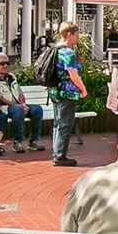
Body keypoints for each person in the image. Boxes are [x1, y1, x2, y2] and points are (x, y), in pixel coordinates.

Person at [0, 53, 45, 153]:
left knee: (37, 109)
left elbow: (20, 93)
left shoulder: (11, 76)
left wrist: (23, 104)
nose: (5, 66)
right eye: (2, 63)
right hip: (3, 107)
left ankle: (33, 142)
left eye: (7, 63)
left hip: (18, 105)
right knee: (18, 110)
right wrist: (17, 106)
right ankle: (17, 142)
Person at [49, 21, 87, 166]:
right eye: (76, 35)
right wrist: (83, 89)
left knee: (57, 123)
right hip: (67, 92)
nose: (77, 38)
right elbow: (73, 75)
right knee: (65, 123)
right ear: (69, 34)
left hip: (54, 91)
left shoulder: (55, 49)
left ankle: (56, 152)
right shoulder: (67, 52)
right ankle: (60, 156)